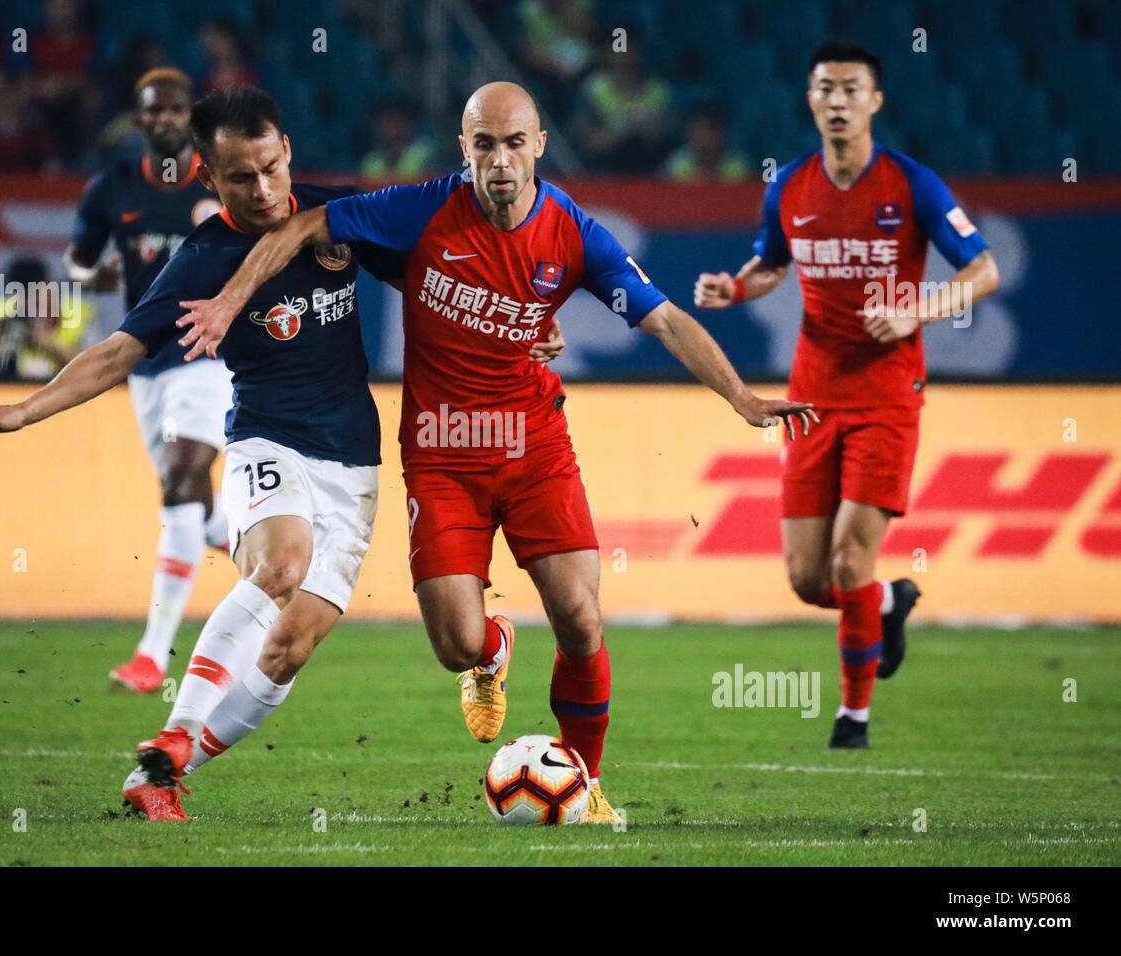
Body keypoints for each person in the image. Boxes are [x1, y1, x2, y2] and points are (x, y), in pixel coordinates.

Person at [174, 81, 815, 822]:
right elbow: (302, 226)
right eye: (484, 145)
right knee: (456, 645)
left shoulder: (574, 232)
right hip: (442, 456)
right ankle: (491, 651)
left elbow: (667, 322)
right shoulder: (420, 209)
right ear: (464, 148)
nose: (500, 162)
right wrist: (228, 298)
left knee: (579, 616)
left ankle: (590, 780)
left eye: (515, 144)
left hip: (533, 445)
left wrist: (743, 398)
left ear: (539, 146)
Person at [0, 85, 563, 821]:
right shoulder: (203, 260)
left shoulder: (335, 217)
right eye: (241, 178)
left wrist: (518, 323)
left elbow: (440, 277)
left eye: (272, 167)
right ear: (209, 179)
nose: (265, 189)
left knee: (287, 652)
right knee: (279, 567)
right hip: (266, 440)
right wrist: (24, 408)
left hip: (354, 463)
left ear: (288, 154)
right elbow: (118, 353)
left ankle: (166, 768)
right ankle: (173, 735)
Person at [693, 40, 1000, 748]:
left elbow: (982, 270)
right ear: (811, 100)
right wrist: (735, 288)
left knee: (847, 563)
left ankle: (852, 719)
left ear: (875, 101)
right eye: (825, 88)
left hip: (888, 396)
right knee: (807, 579)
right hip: (811, 397)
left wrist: (915, 309)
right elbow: (771, 264)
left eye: (851, 89)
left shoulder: (913, 185)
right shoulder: (790, 188)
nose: (837, 101)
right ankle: (887, 602)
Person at [65, 68, 229, 694]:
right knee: (190, 501)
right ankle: (259, 555)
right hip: (146, 363)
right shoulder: (110, 189)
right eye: (152, 112)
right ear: (139, 122)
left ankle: (152, 655)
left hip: (210, 354)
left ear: (192, 117)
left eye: (175, 109)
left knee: (184, 479)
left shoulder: (220, 182)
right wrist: (95, 277)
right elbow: (79, 265)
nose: (164, 120)